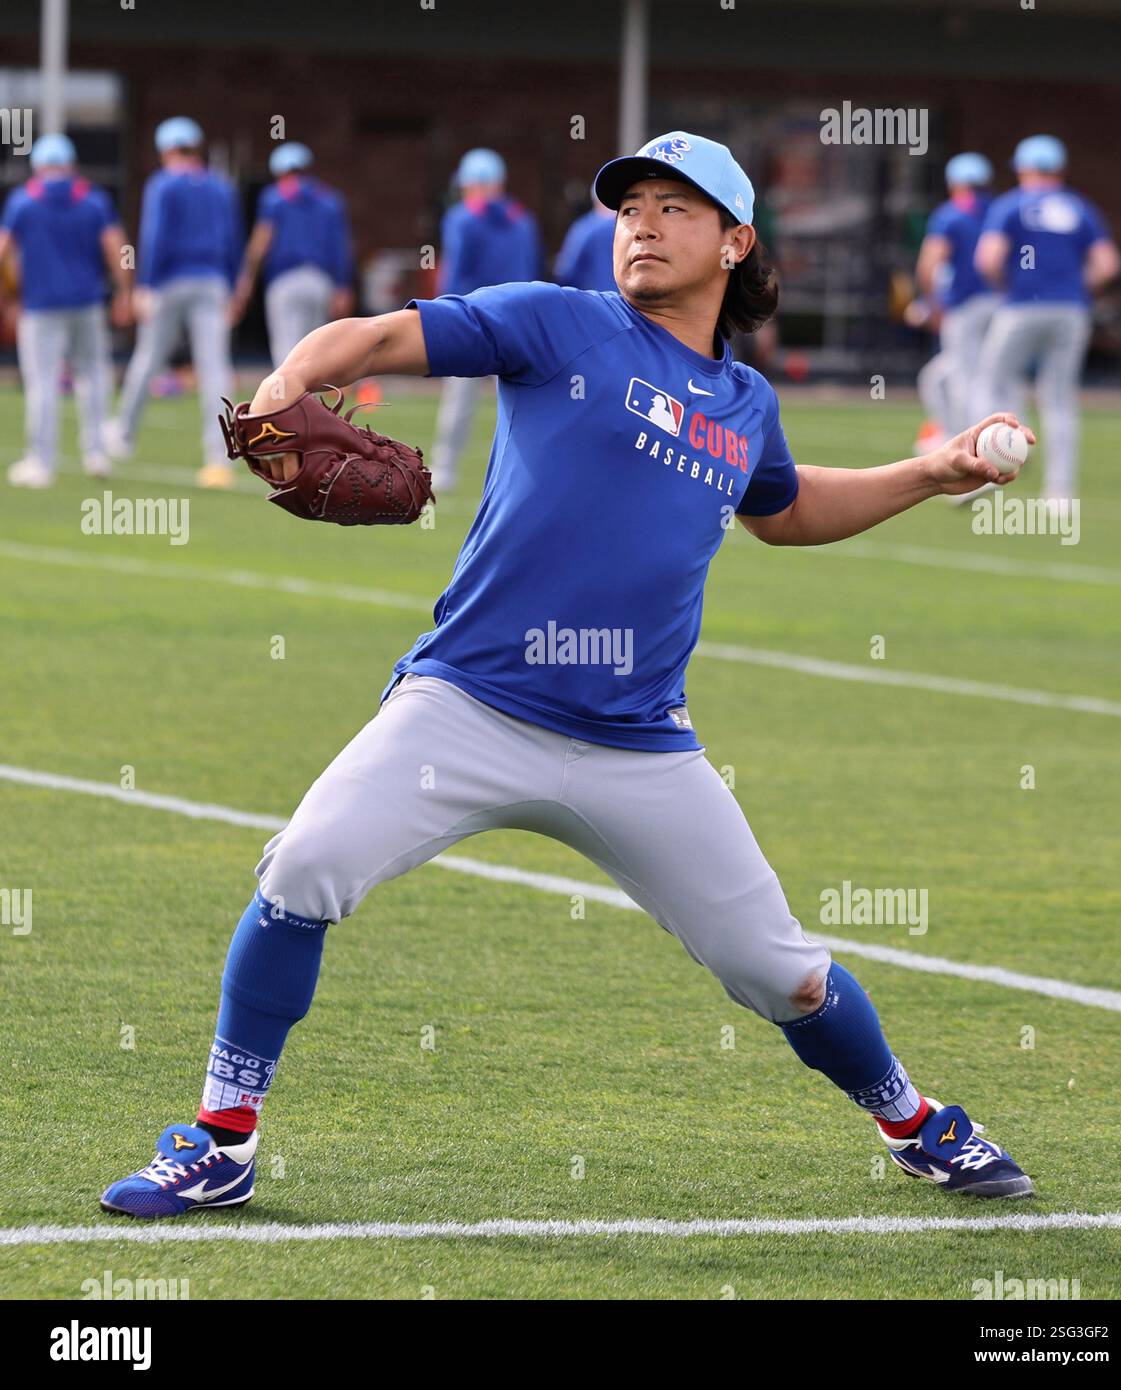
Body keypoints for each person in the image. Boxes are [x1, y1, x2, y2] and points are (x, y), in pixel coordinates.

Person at [100, 131, 1035, 1220]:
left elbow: (784, 513)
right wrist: (290, 379)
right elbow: (377, 335)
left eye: (674, 208)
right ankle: (220, 1140)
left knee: (782, 972)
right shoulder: (560, 320)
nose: (641, 222)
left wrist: (930, 469)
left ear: (735, 242)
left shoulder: (742, 403)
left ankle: (915, 1122)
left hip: (639, 741)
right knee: (303, 866)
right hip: (468, 703)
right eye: (630, 205)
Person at [974, 135, 1119, 499]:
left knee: (991, 383)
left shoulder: (1011, 206)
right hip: (1071, 310)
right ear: (1060, 170)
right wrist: (1075, 288)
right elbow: (1107, 265)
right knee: (1058, 398)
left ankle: (984, 470)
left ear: (1025, 169)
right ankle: (1060, 492)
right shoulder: (1081, 208)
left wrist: (1008, 285)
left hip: (1021, 306)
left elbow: (988, 259)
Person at [103, 117, 244, 489]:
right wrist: (232, 285)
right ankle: (220, 454)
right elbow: (232, 240)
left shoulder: (162, 184)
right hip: (213, 282)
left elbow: (154, 235)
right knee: (215, 367)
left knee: (148, 358)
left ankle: (123, 435)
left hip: (169, 282)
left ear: (166, 149)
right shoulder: (219, 186)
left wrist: (144, 284)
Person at [1, 133, 131, 487]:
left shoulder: (23, 202)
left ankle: (41, 462)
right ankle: (95, 452)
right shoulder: (94, 201)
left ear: (38, 167)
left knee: (42, 382)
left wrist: (9, 295)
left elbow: (3, 251)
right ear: (71, 166)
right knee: (93, 375)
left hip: (40, 305)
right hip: (86, 303)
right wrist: (125, 292)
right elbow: (117, 247)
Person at [428, 147, 541, 492]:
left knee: (459, 399)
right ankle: (524, 478)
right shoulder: (523, 220)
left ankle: (444, 470)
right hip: (517, 321)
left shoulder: (463, 218)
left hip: (471, 319)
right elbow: (531, 272)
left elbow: (456, 271)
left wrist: (441, 315)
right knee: (520, 406)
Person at [231, 142, 355, 366]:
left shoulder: (274, 198)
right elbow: (340, 248)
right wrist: (342, 287)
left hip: (284, 282)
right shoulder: (329, 200)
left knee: (286, 352)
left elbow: (261, 243)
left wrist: (245, 280)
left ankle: (287, 400)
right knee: (314, 351)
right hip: (320, 283)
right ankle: (310, 399)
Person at [913, 152, 998, 451]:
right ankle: (950, 434)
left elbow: (929, 264)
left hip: (964, 306)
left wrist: (931, 304)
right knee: (940, 378)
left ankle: (973, 445)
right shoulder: (998, 210)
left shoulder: (950, 213)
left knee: (966, 380)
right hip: (1002, 308)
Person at [554, 191, 616, 291]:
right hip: (626, 302)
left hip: (593, 300)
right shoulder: (631, 227)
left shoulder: (584, 228)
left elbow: (567, 271)